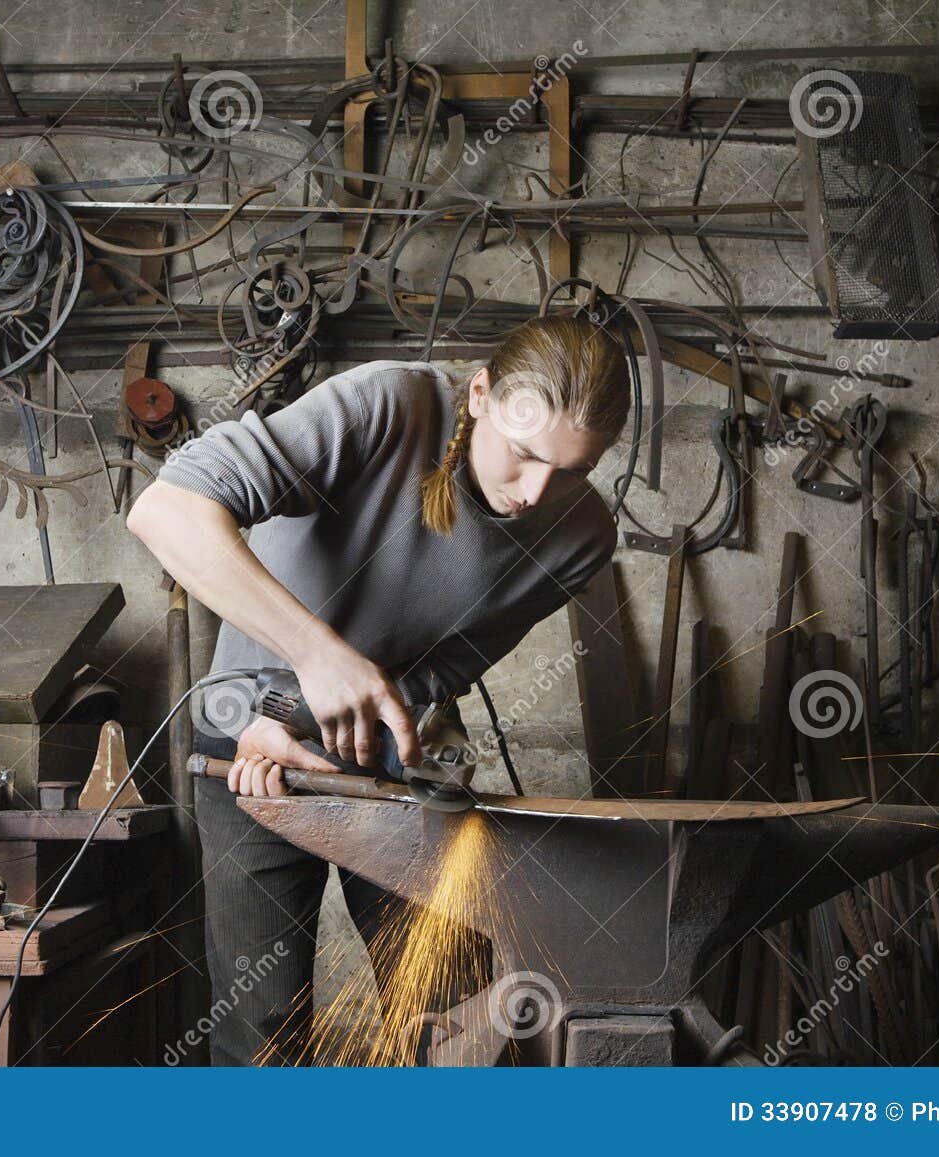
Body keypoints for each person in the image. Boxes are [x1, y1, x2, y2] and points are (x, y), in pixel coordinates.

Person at [126, 314, 632, 1064]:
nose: (535, 491)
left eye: (572, 470)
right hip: (248, 748)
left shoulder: (583, 536)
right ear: (483, 394)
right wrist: (297, 681)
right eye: (523, 455)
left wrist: (352, 713)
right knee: (259, 1032)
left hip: (396, 756)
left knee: (454, 1018)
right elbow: (165, 508)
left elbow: (440, 673)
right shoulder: (385, 406)